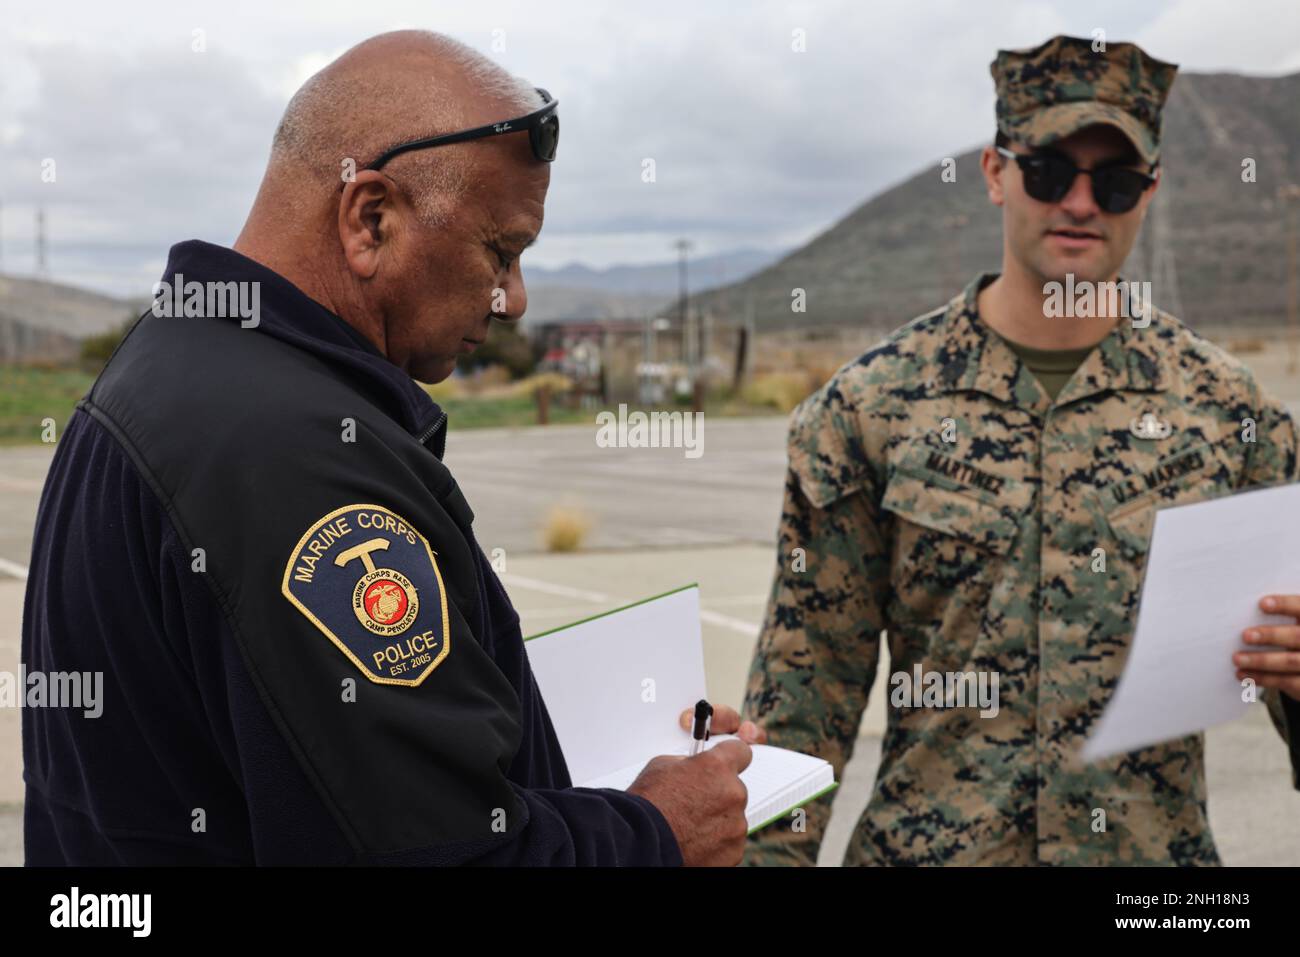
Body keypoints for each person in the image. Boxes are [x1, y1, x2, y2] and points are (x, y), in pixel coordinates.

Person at [21, 30, 759, 866]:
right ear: (370, 218)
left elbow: (313, 760)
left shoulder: (173, 362)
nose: (513, 298)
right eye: (501, 250)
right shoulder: (297, 459)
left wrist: (591, 746)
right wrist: (655, 832)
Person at [740, 34, 1300, 866]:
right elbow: (800, 706)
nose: (1080, 202)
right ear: (996, 173)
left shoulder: (1233, 417)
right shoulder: (869, 409)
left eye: (1113, 181)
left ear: (1150, 190)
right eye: (1047, 170)